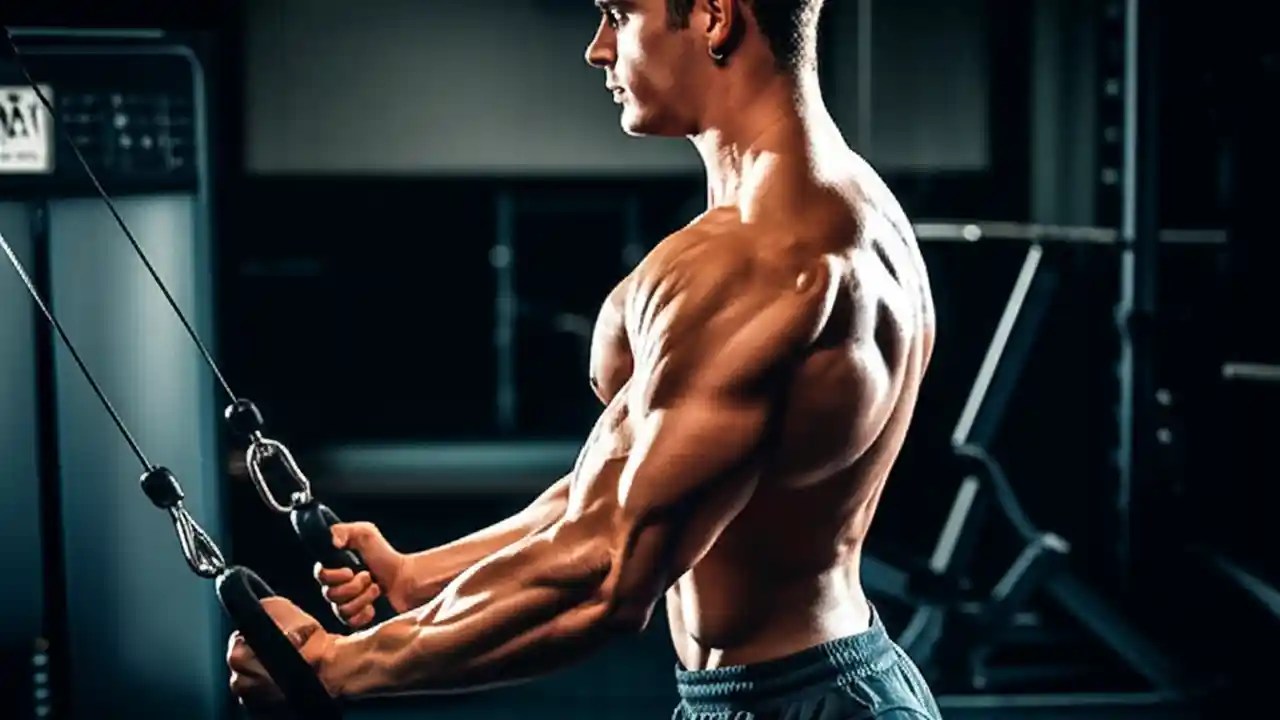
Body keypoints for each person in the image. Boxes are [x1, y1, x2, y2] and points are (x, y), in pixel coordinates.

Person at [227, 1, 941, 717]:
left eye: (617, 14)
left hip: (797, 699)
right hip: (820, 676)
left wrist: (334, 668)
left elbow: (607, 575)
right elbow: (625, 485)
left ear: (714, 16)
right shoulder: (851, 207)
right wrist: (425, 576)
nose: (599, 50)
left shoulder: (755, 262)